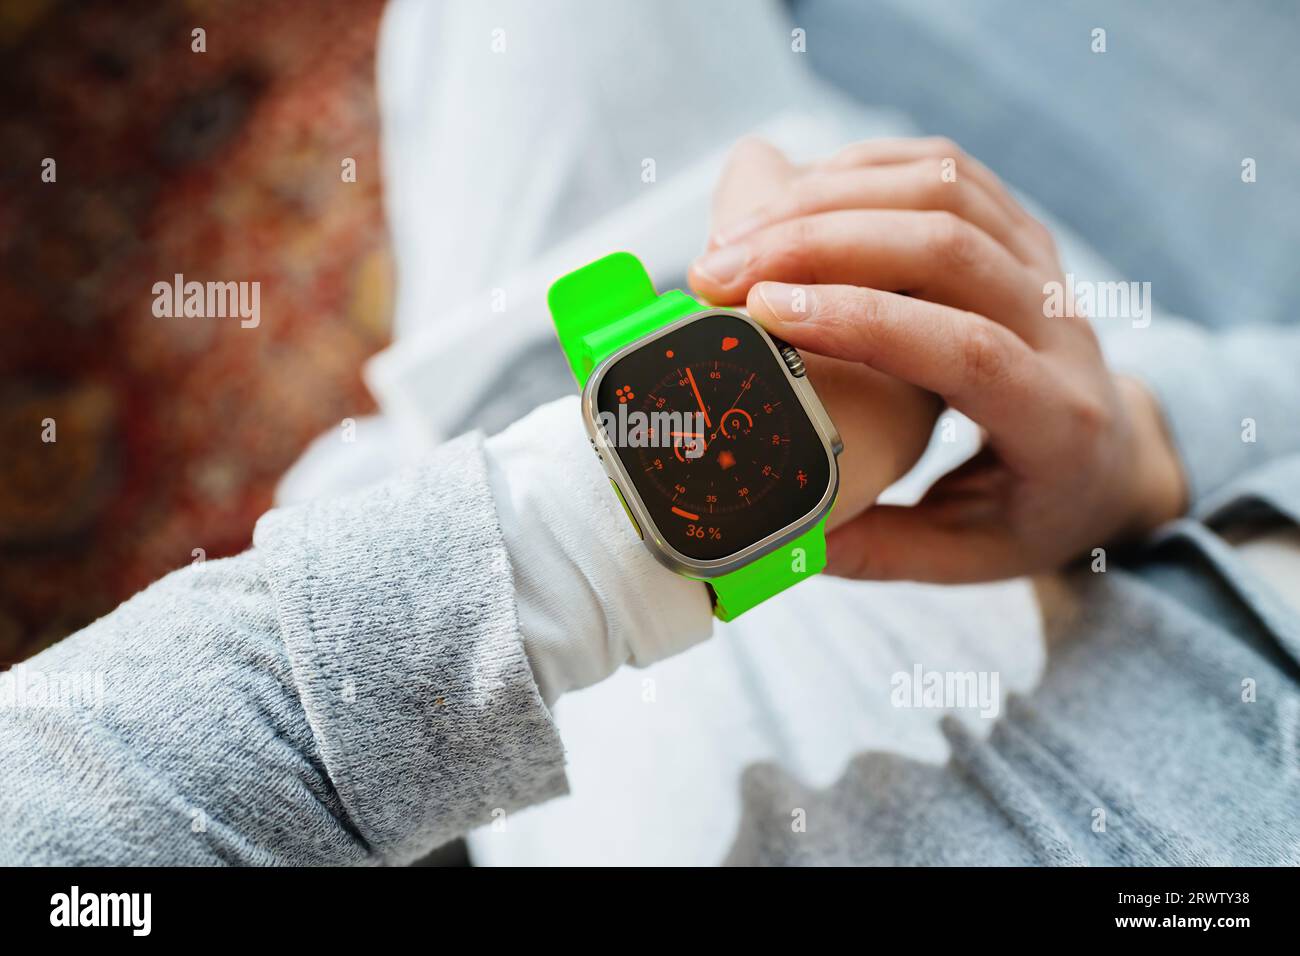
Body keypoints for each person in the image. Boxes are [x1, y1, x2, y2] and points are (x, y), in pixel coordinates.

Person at [2, 0, 1298, 865]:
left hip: (627, 471)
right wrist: (1140, 449)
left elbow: (70, 801)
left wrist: (597, 539)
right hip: (1076, 432)